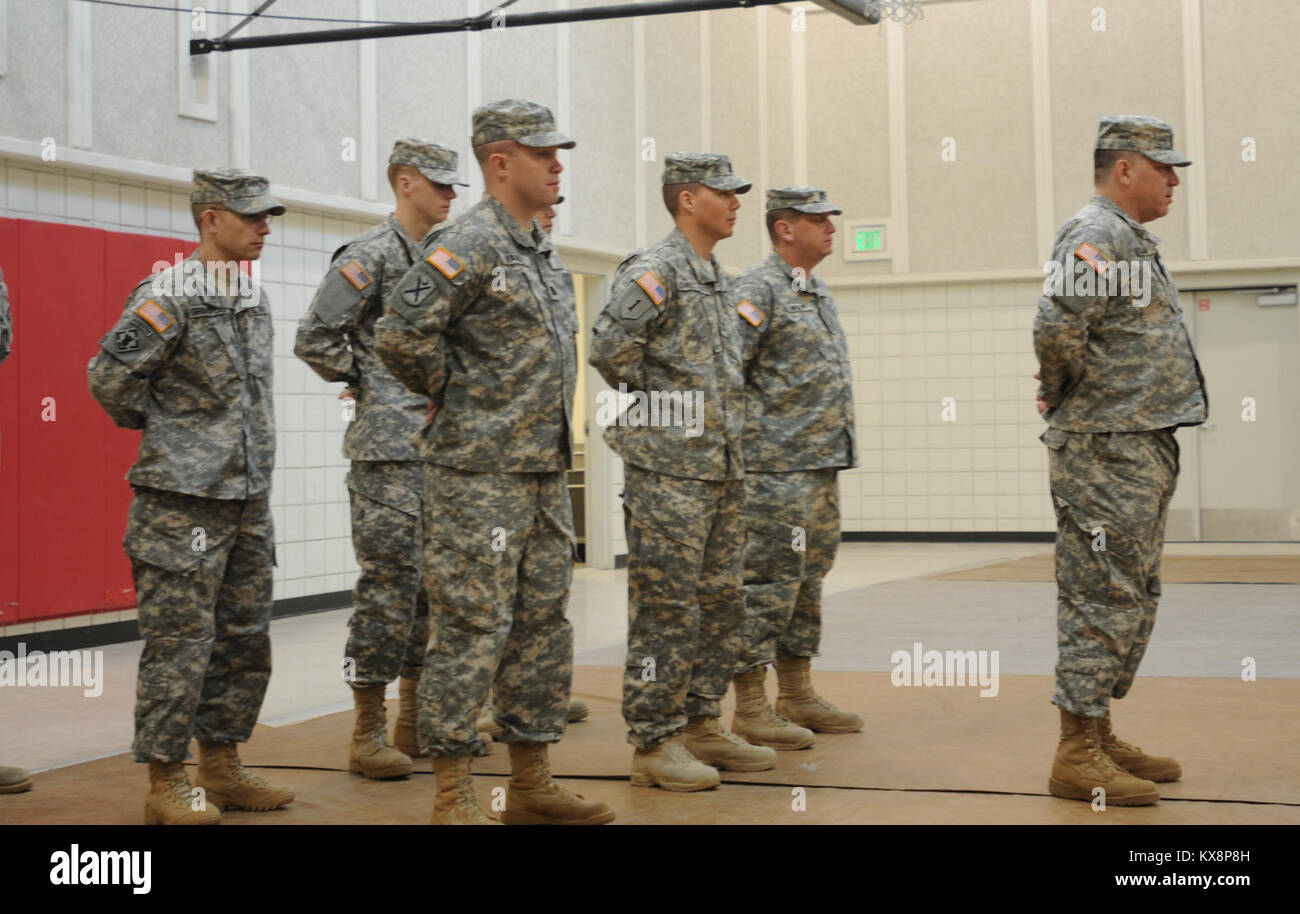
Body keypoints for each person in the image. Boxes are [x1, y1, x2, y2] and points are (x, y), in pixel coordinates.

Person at [376, 99, 613, 826]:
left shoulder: (539, 250)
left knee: (541, 624)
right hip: (476, 477)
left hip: (540, 472)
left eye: (558, 153)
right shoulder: (466, 244)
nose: (557, 164)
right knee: (472, 626)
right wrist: (464, 398)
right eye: (544, 154)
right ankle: (454, 793)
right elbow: (398, 334)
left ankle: (532, 779)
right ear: (500, 163)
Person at [87, 168, 294, 824]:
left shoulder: (252, 298)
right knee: (179, 643)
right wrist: (172, 433)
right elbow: (107, 379)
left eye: (268, 216)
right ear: (210, 219)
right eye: (251, 216)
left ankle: (222, 765)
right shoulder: (168, 295)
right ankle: (166, 780)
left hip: (247, 500)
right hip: (181, 504)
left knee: (243, 638)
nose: (265, 227)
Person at [1034, 115, 1207, 806]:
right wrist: (1069, 392)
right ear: (1125, 168)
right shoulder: (1095, 232)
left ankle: (1098, 731)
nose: (1173, 180)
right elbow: (1055, 325)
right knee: (1100, 595)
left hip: (1134, 443)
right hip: (1105, 447)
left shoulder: (1130, 238)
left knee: (1131, 593)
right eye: (1164, 166)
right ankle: (1075, 752)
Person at [589, 152, 775, 792]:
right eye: (724, 193)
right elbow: (609, 350)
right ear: (688, 198)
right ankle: (654, 740)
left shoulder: (717, 277)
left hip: (721, 471)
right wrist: (663, 425)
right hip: (669, 475)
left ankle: (700, 722)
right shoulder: (656, 271)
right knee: (665, 611)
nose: (736, 203)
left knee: (719, 604)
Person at [295, 139, 467, 777]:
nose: (451, 195)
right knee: (389, 592)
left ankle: (414, 719)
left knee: (434, 593)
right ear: (404, 183)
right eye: (440, 184)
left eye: (455, 186)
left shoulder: (449, 258)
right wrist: (370, 378)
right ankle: (367, 730)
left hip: (444, 451)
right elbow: (314, 337)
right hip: (388, 456)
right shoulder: (368, 255)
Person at [729, 187, 861, 750]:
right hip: (772, 471)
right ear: (786, 229)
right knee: (767, 585)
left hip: (817, 465)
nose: (830, 227)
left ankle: (797, 692)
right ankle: (751, 706)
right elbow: (727, 371)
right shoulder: (757, 290)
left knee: (808, 582)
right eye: (818, 220)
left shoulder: (815, 290)